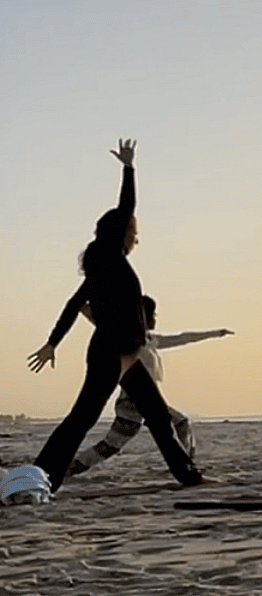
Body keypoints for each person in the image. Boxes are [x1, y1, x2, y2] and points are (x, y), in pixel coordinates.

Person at [27, 140, 203, 492]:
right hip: (110, 351)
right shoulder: (108, 258)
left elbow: (74, 301)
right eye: (133, 234)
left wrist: (52, 343)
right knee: (81, 420)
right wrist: (128, 167)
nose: (136, 240)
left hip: (127, 352)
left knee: (157, 417)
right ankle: (38, 479)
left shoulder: (107, 267)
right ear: (120, 234)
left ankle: (191, 478)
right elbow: (127, 205)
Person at [67, 295, 234, 477]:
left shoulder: (151, 340)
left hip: (147, 400)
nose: (155, 319)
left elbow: (184, 338)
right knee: (117, 443)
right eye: (152, 315)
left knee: (114, 444)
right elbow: (98, 319)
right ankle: (72, 467)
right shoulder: (125, 338)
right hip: (132, 401)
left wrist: (216, 333)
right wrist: (84, 304)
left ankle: (73, 467)